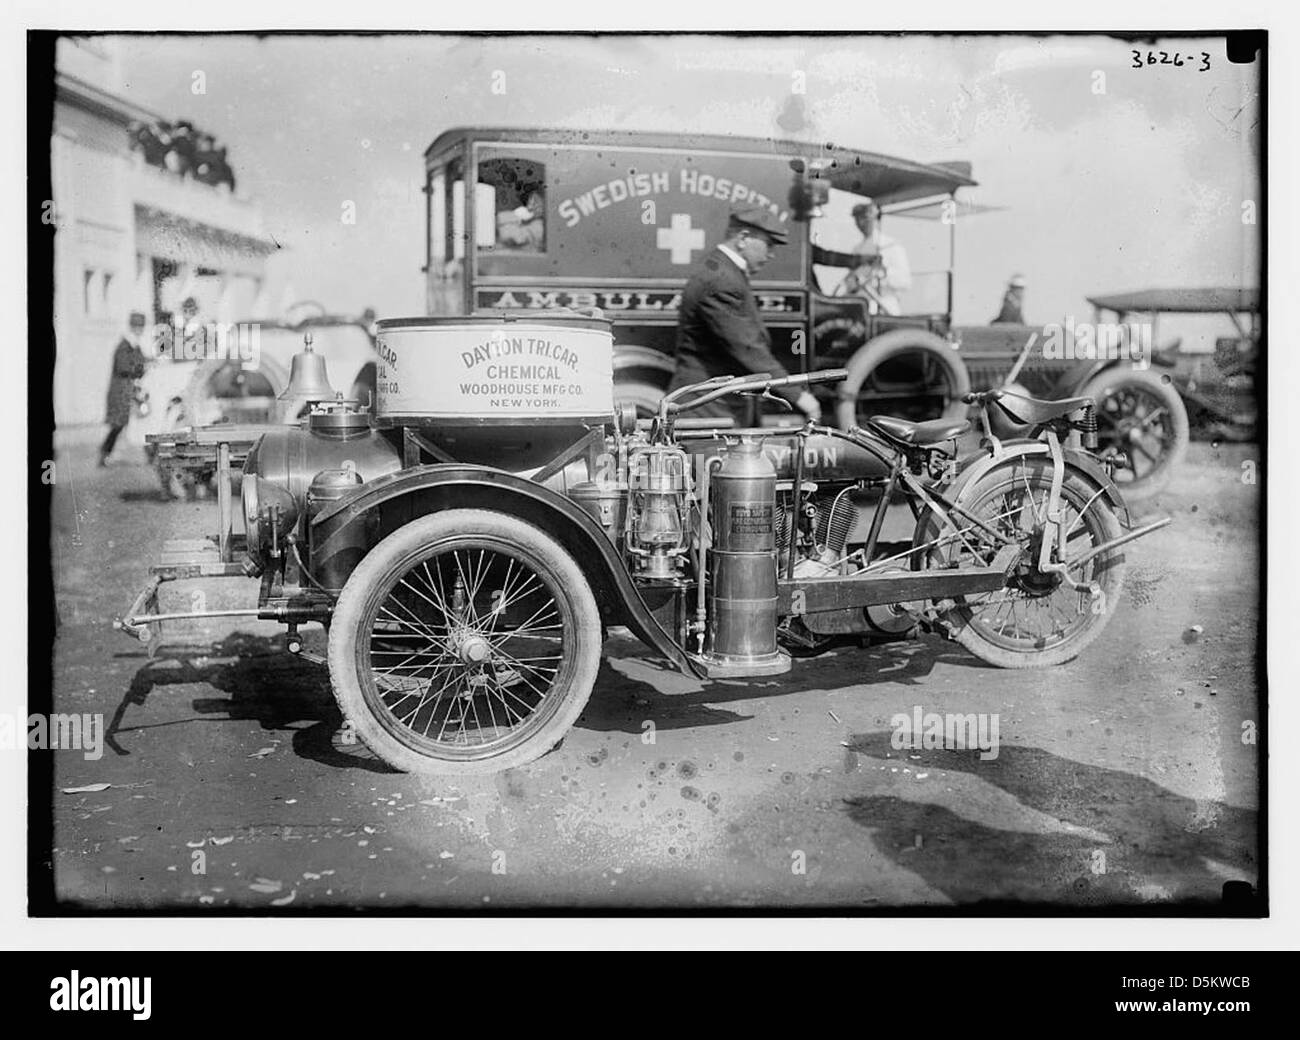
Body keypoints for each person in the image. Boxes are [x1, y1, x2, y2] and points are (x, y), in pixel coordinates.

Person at [668, 206, 821, 424]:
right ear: (743, 238)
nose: (771, 254)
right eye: (768, 245)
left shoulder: (723, 271)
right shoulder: (722, 280)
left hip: (716, 406)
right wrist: (798, 395)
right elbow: (747, 347)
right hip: (709, 410)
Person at [843, 201, 911, 315]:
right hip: (861, 307)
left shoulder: (891, 245)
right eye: (857, 219)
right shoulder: (856, 250)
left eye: (865, 218)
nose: (861, 223)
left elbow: (905, 281)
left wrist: (882, 273)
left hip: (885, 308)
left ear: (875, 218)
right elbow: (850, 283)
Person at [100, 312, 149, 466]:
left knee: (128, 424)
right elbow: (123, 367)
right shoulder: (124, 346)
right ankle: (104, 454)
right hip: (120, 391)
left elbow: (142, 360)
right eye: (137, 327)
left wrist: (148, 362)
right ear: (132, 327)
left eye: (141, 327)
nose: (140, 330)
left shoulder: (134, 346)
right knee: (117, 425)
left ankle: (109, 454)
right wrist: (141, 367)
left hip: (128, 391)